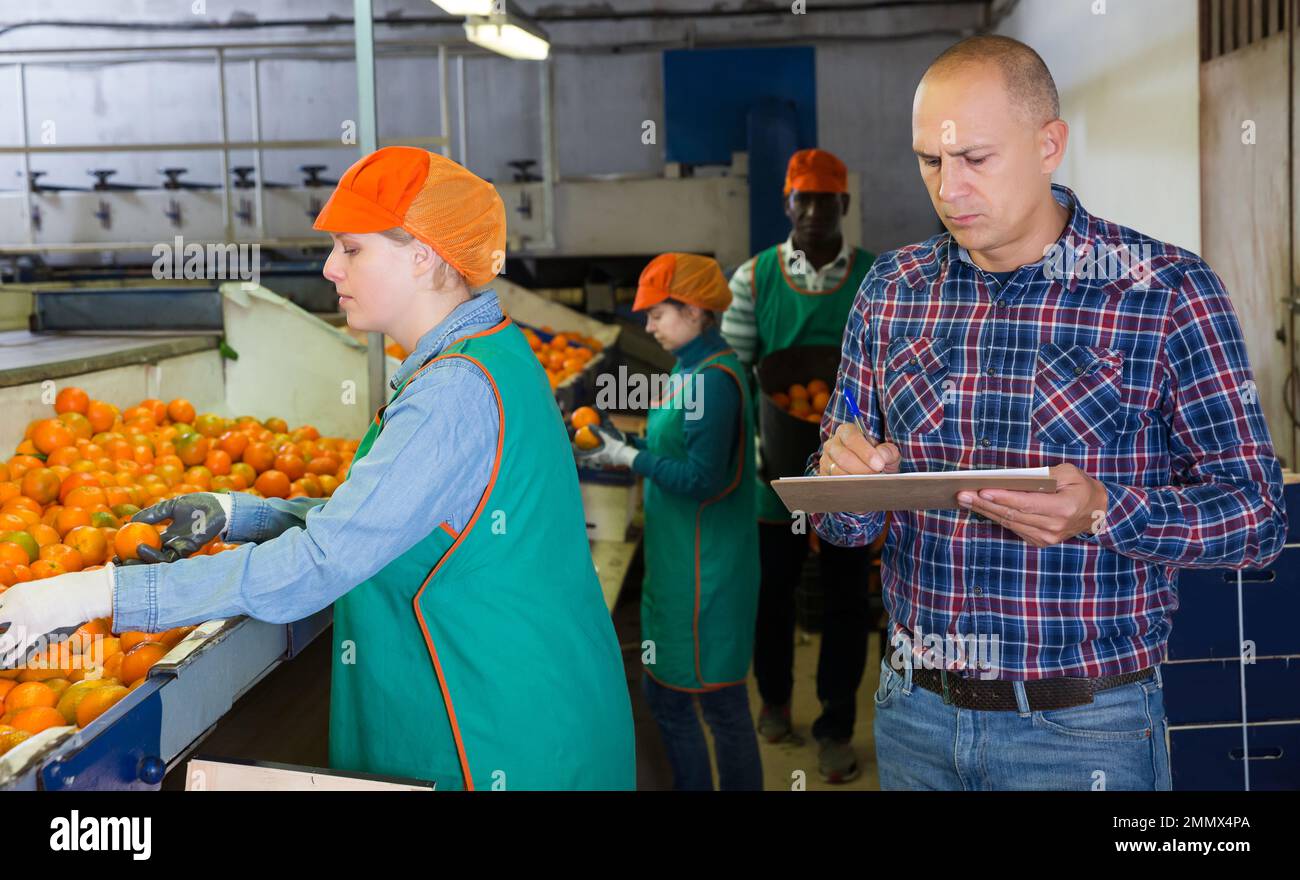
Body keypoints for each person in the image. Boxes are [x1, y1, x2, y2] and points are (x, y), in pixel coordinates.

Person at [0, 146, 636, 791]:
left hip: (490, 732)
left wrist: (94, 594)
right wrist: (240, 512)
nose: (331, 268)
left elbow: (320, 567)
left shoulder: (453, 391)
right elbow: (396, 521)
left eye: (351, 248)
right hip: (536, 700)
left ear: (422, 255)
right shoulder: (490, 350)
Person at [811, 35, 1286, 790]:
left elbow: (1258, 518)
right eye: (931, 161)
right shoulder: (891, 290)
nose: (949, 188)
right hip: (913, 717)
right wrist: (843, 483)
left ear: (1048, 145)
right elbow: (841, 520)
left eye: (976, 158)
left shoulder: (1164, 293)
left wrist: (1106, 511)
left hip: (1083, 732)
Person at [577, 253, 762, 790]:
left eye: (658, 314)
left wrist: (630, 460)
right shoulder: (689, 371)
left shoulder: (717, 382)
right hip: (683, 563)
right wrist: (623, 445)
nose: (649, 326)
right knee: (676, 696)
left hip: (708, 571)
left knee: (712, 704)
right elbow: (670, 446)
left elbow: (704, 478)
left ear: (697, 312)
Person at [721, 148, 876, 782]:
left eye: (825, 199)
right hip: (774, 472)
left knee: (846, 603)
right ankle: (775, 701)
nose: (812, 212)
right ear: (787, 204)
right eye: (801, 199)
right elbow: (735, 372)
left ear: (843, 204)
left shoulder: (874, 276)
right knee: (772, 597)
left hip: (850, 476)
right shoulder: (753, 279)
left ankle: (836, 725)